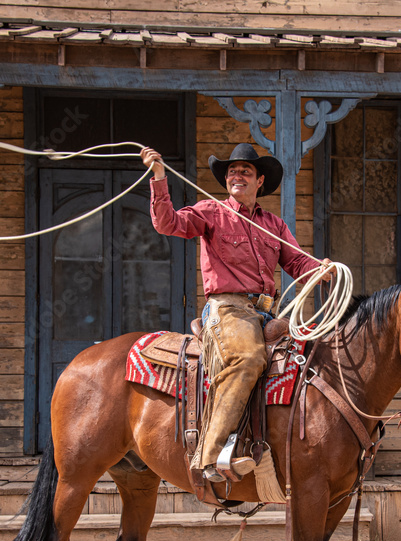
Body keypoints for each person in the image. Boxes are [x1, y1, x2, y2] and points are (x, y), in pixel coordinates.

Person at [141, 143, 330, 483]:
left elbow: (297, 262)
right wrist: (158, 177)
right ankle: (210, 454)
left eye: (245, 171)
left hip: (266, 313)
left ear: (260, 181)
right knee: (248, 358)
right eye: (231, 171)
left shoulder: (274, 224)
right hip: (228, 309)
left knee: (314, 349)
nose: (236, 175)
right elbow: (168, 223)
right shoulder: (210, 212)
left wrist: (320, 268)